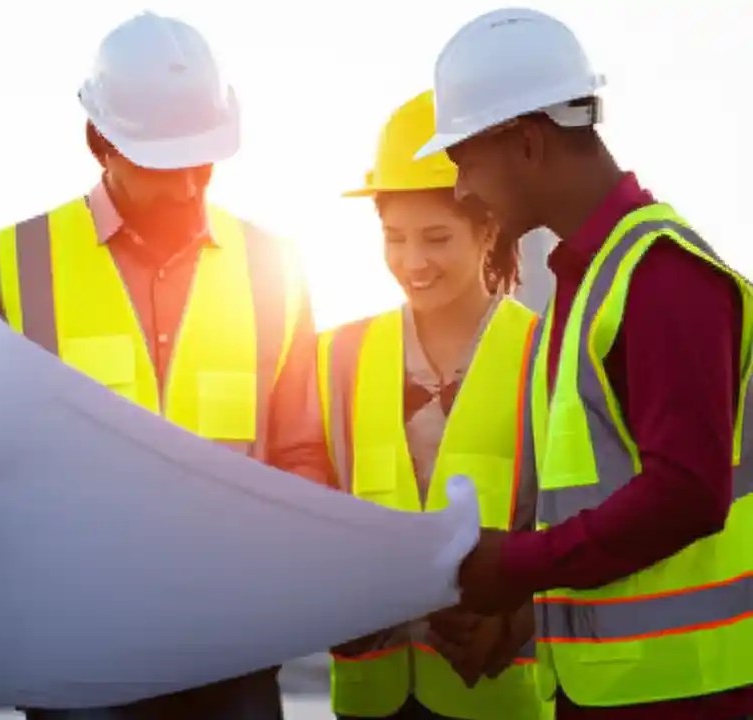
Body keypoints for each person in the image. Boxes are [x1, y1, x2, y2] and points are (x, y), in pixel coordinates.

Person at [0, 11, 327, 720]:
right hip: (79, 650)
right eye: (167, 165)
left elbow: (302, 449)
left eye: (205, 161)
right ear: (100, 142)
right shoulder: (18, 264)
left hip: (234, 645)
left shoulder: (273, 266)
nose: (190, 188)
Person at [416, 7, 753, 718]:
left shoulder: (663, 275)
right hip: (619, 688)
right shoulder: (589, 282)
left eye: (464, 161)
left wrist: (514, 567)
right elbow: (603, 502)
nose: (464, 189)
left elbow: (687, 495)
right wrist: (524, 615)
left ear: (529, 144)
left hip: (687, 694)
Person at [320, 90, 547, 720]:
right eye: (395, 238)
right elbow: (308, 503)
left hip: (500, 692)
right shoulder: (334, 356)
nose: (411, 262)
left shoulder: (546, 355)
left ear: (488, 229)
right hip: (372, 690)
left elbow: (581, 526)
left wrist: (517, 620)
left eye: (436, 237)